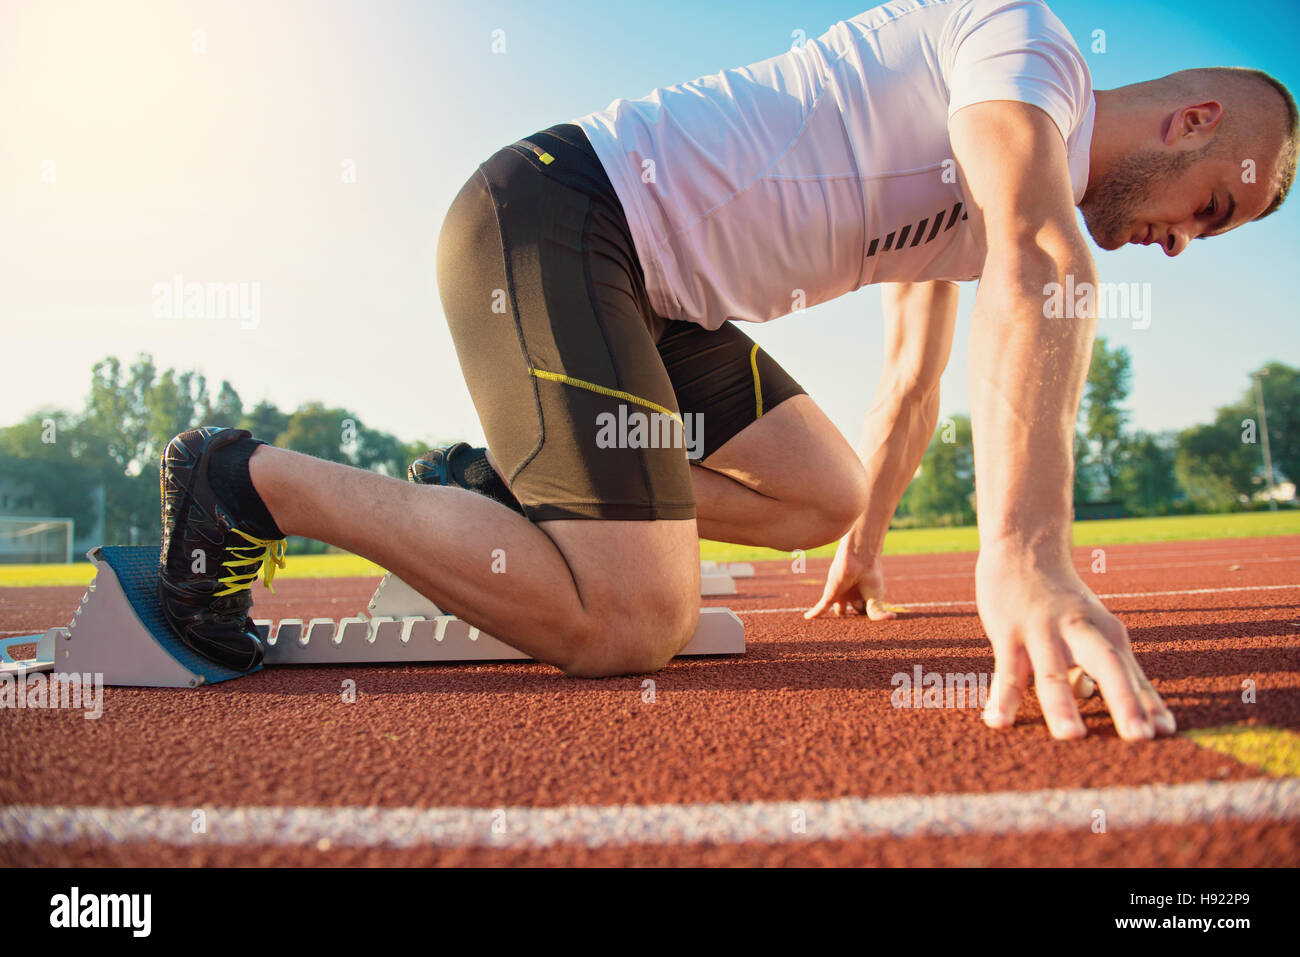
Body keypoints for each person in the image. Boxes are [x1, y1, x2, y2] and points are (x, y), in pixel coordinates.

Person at [157, 0, 1297, 741]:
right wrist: (1024, 554)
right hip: (560, 216)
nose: (1188, 240)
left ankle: (514, 497)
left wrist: (865, 546)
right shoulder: (1020, 47)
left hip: (656, 303)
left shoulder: (996, 171)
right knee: (627, 625)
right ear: (1194, 120)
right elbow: (1039, 259)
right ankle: (246, 481)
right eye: (1216, 207)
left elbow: (911, 381)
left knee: (825, 494)